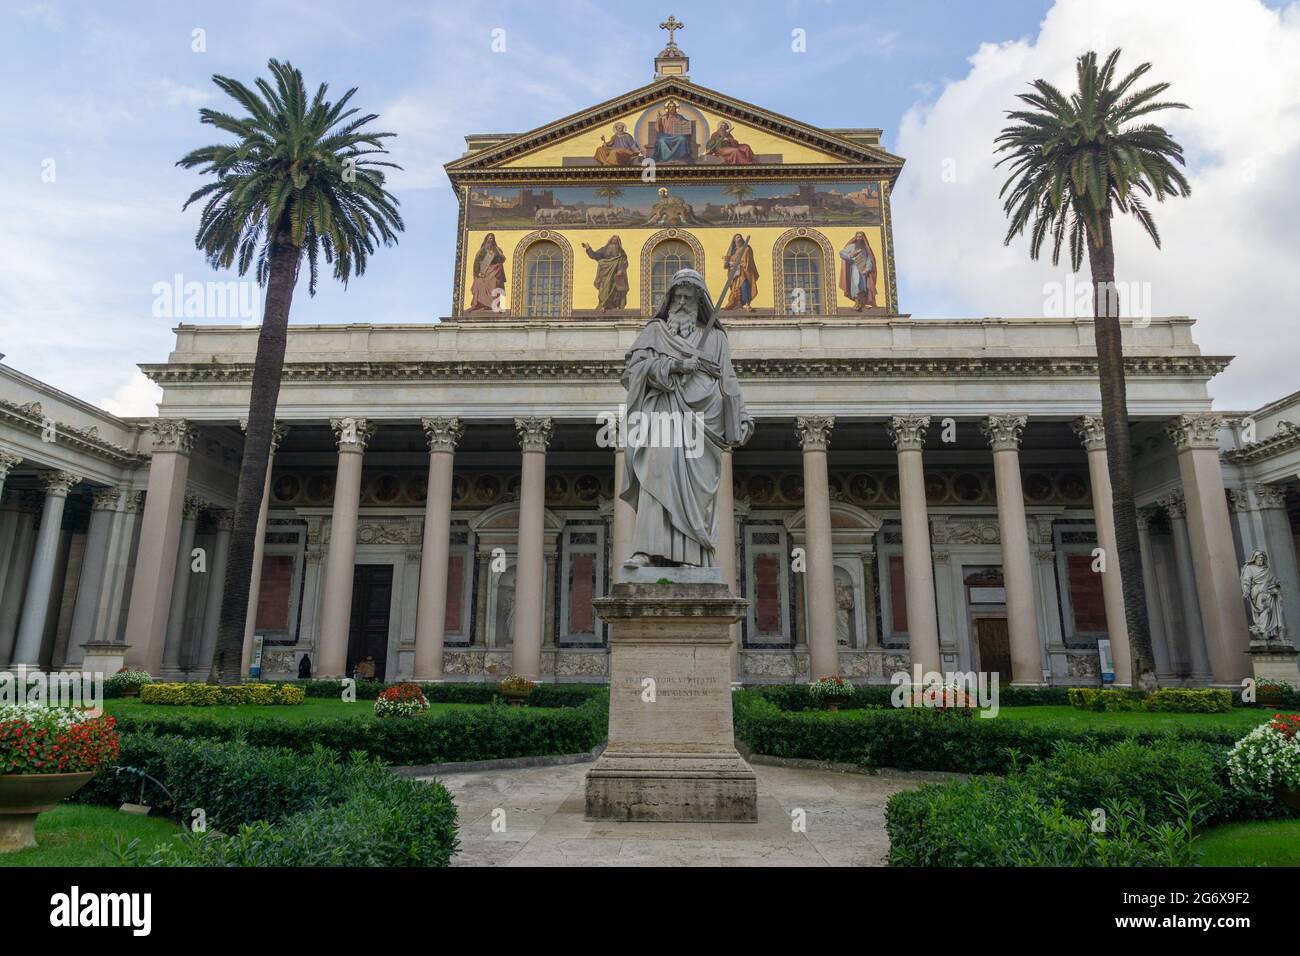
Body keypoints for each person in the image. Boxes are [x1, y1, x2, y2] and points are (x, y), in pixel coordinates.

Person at [621, 269, 753, 567]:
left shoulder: (716, 339)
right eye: (677, 297)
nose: (681, 303)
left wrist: (741, 416)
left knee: (695, 493)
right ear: (669, 301)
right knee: (655, 471)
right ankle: (645, 550)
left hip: (705, 419)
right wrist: (675, 366)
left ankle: (692, 557)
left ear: (699, 302)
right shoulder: (655, 332)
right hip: (664, 412)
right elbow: (632, 373)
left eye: (688, 298)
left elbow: (728, 380)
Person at [1241, 549, 1287, 641]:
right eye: (1259, 558)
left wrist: (1276, 583)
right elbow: (1246, 581)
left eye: (1262, 559)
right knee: (1263, 608)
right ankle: (1262, 629)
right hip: (1258, 592)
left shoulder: (1266, 569)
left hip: (1269, 591)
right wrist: (1246, 591)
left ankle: (1271, 631)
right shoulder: (1249, 568)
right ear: (1255, 558)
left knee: (1270, 610)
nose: (1261, 560)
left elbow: (1273, 579)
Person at [583, 236, 629, 311]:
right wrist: (588, 249)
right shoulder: (604, 249)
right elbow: (595, 255)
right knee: (604, 290)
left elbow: (624, 261)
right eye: (613, 240)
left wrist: (621, 269)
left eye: (616, 241)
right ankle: (603, 305)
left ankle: (614, 306)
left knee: (616, 291)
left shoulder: (621, 251)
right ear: (610, 241)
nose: (614, 242)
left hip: (616, 275)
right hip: (605, 274)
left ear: (618, 243)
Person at [838, 232, 877, 311]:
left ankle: (863, 304)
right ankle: (856, 303)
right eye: (858, 237)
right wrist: (850, 255)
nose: (859, 238)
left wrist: (867, 268)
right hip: (855, 268)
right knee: (856, 285)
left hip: (863, 270)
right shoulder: (851, 246)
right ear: (855, 238)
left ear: (863, 238)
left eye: (860, 237)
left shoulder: (866, 248)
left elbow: (870, 259)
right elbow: (841, 253)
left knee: (863, 287)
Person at [467, 234, 506, 312]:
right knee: (479, 282)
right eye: (489, 238)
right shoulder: (482, 250)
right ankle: (481, 304)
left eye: (492, 239)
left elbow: (502, 259)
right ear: (486, 240)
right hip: (484, 272)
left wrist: (498, 257)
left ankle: (493, 305)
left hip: (495, 271)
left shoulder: (497, 249)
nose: (490, 240)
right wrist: (478, 272)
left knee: (494, 283)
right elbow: (477, 262)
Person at [722, 234, 759, 311]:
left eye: (739, 237)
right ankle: (739, 304)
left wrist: (738, 263)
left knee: (745, 285)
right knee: (736, 288)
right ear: (734, 241)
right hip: (736, 273)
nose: (738, 239)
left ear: (742, 239)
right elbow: (733, 258)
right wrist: (728, 259)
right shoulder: (735, 250)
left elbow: (746, 261)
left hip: (744, 272)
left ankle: (747, 304)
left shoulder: (746, 249)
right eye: (736, 238)